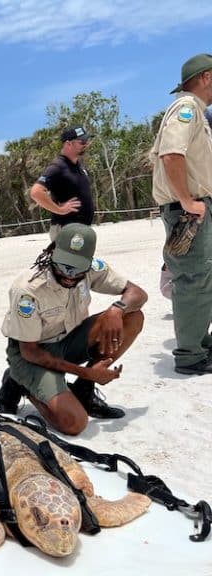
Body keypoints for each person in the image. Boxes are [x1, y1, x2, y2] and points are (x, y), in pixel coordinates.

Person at [0, 224, 147, 436]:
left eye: (77, 268)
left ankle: (84, 390)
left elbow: (138, 294)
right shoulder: (27, 290)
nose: (69, 274)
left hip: (69, 339)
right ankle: (21, 384)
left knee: (133, 317)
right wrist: (87, 372)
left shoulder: (93, 268)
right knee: (74, 423)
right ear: (51, 252)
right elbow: (30, 351)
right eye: (63, 265)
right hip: (32, 353)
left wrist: (117, 310)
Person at [150, 53, 212, 375]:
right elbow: (171, 155)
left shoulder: (197, 112)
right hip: (189, 210)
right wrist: (187, 201)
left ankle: (201, 344)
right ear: (205, 77)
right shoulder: (186, 108)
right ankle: (190, 355)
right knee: (192, 278)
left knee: (202, 277)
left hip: (195, 207)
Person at [29, 126, 94, 240]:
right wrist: (59, 210)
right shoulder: (57, 167)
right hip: (66, 230)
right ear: (68, 144)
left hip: (80, 231)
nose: (86, 144)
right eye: (82, 141)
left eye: (86, 141)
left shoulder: (77, 167)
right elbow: (36, 192)